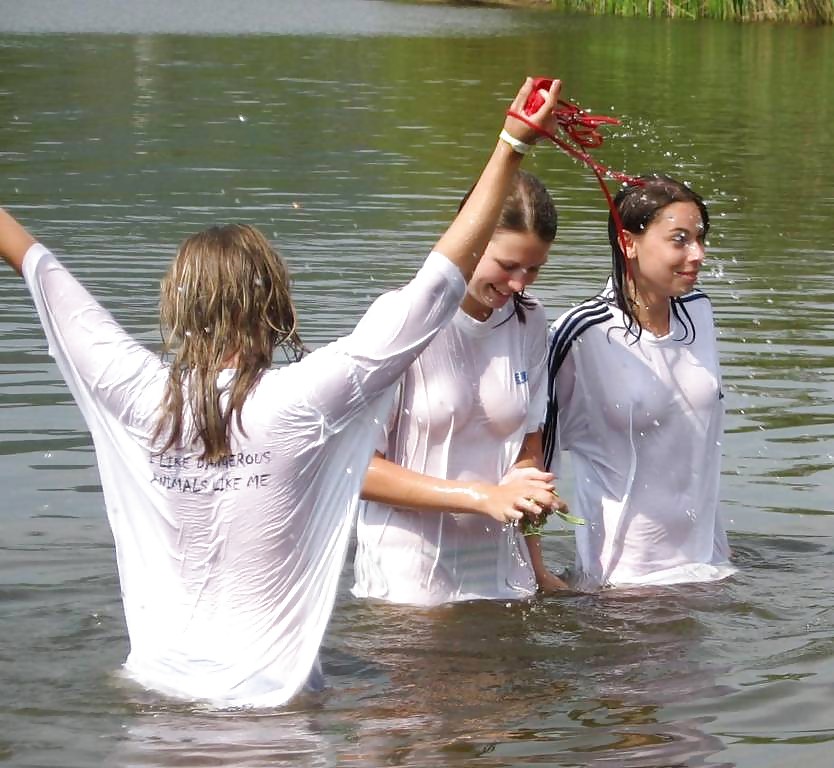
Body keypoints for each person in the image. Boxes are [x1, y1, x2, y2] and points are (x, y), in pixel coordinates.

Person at [0, 76, 563, 707]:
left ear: (176, 309)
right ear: (278, 309)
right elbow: (434, 291)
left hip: (157, 702)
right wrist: (510, 143)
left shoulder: (135, 395)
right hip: (274, 712)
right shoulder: (302, 401)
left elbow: (37, 267)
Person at [352, 169, 569, 607]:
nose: (519, 284)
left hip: (501, 570)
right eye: (507, 266)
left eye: (533, 269)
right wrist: (481, 497)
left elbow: (528, 445)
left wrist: (539, 563)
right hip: (410, 576)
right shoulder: (401, 318)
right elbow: (356, 468)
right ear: (469, 236)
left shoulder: (530, 320)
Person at [542, 174, 735, 591]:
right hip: (623, 582)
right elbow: (534, 455)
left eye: (700, 238)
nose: (697, 254)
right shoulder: (581, 332)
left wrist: (719, 548)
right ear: (628, 242)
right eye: (679, 240)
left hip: (708, 567)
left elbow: (696, 440)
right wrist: (536, 571)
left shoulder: (699, 312)